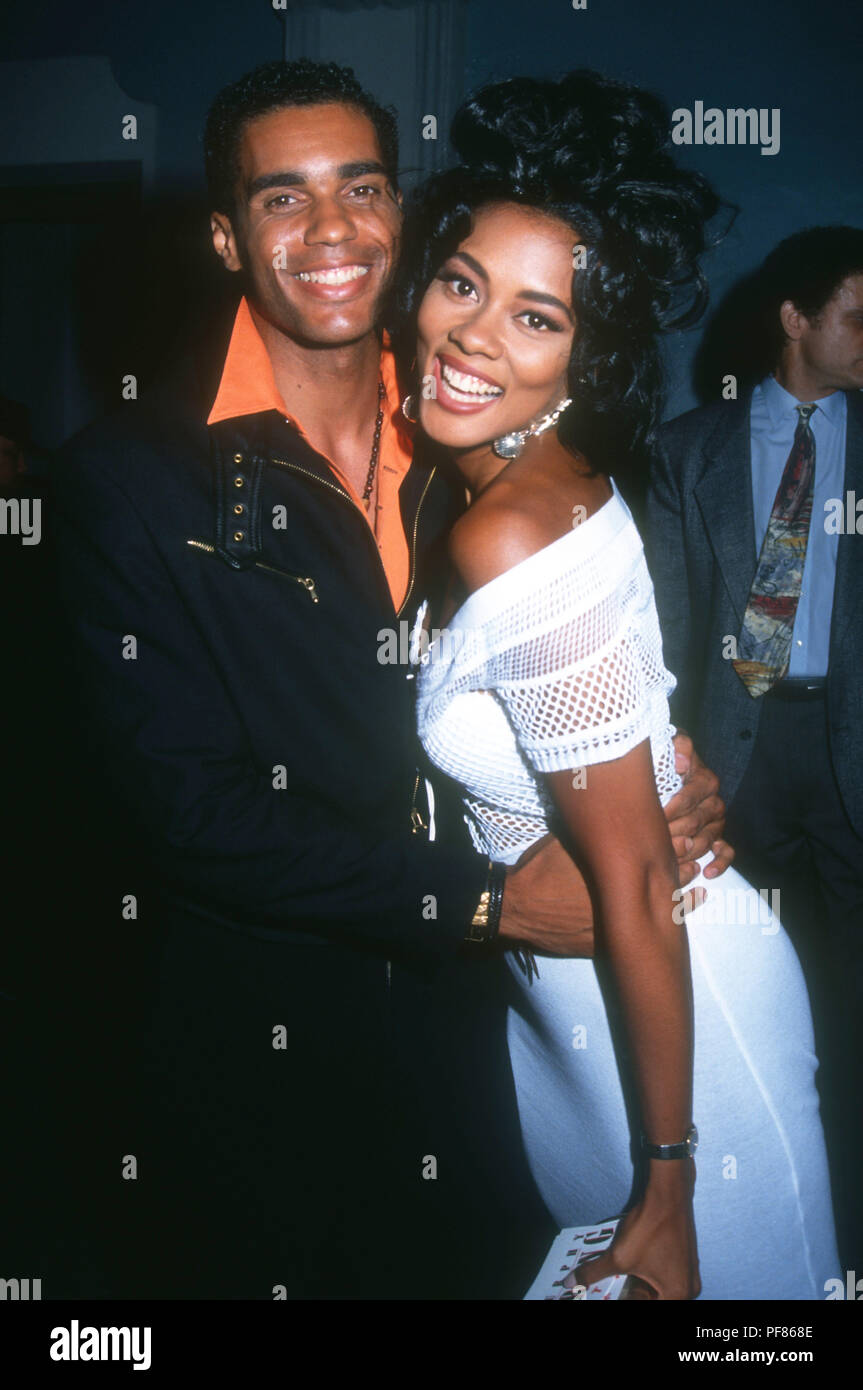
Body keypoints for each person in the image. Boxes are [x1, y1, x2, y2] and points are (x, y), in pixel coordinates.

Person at [49, 58, 730, 1300]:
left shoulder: (468, 432)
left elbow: (586, 645)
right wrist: (485, 901)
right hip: (262, 1020)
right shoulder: (132, 478)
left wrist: (666, 772)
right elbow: (184, 811)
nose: (330, 233)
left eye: (361, 187)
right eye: (279, 198)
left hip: (484, 1028)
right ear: (222, 234)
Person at [401, 70, 841, 1299]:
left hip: (681, 1021)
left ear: (584, 355)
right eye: (461, 283)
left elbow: (636, 877)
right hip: (572, 1010)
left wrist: (667, 1178)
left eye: (537, 318)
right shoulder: (491, 484)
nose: (476, 336)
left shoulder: (511, 528)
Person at [646, 226, 863, 1270]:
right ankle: (739, 1203)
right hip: (733, 741)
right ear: (793, 318)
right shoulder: (689, 449)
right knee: (732, 980)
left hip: (849, 743)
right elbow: (666, 626)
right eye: (855, 316)